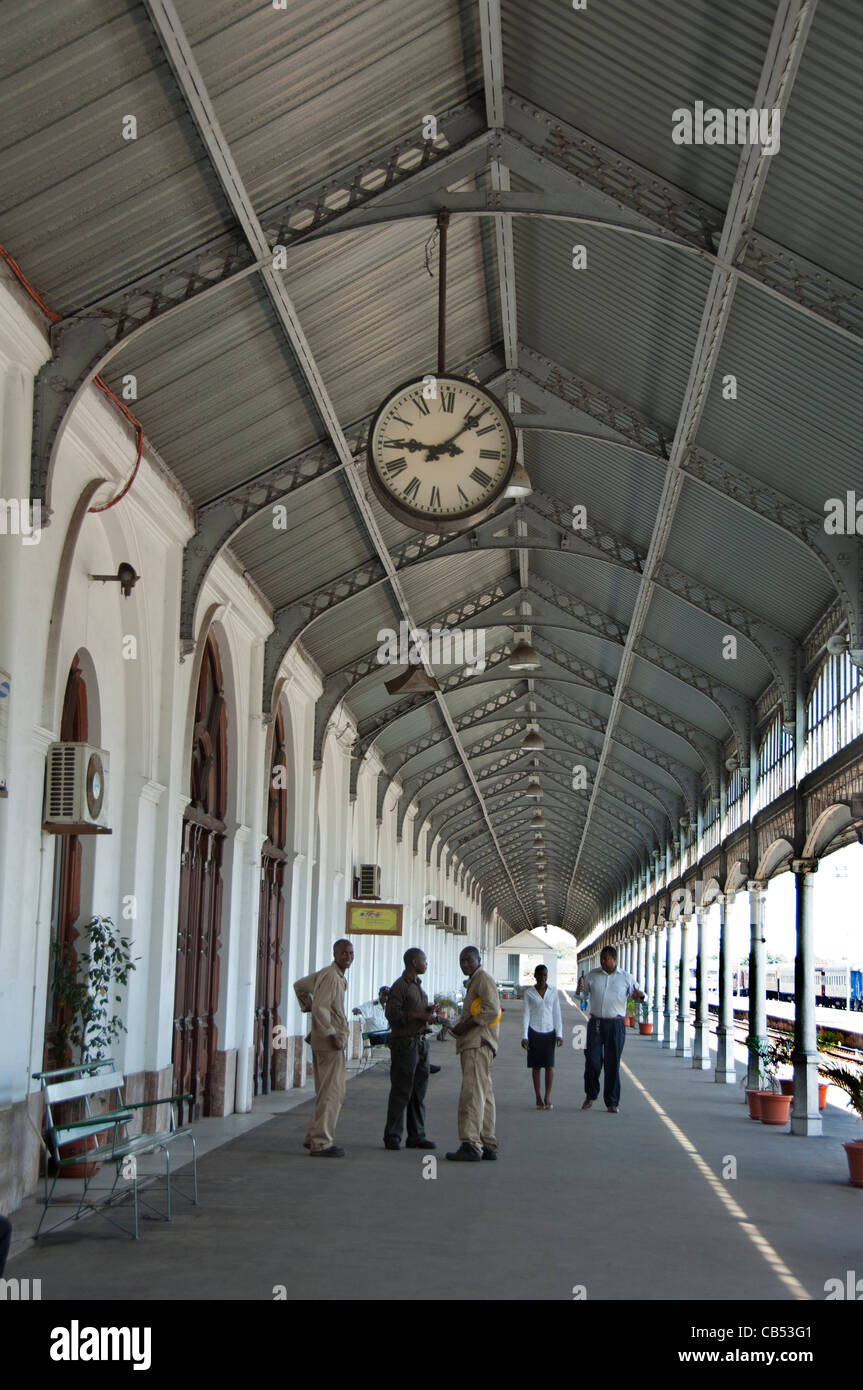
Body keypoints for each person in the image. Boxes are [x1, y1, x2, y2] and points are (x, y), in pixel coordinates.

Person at [293, 939, 354, 1156]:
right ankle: (321, 1142)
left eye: (350, 953)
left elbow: (299, 986)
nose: (348, 957)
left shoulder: (328, 974)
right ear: (335, 954)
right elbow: (321, 1007)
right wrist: (330, 1033)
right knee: (333, 1093)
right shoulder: (331, 977)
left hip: (324, 1041)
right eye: (344, 953)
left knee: (325, 1091)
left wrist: (306, 1006)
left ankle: (313, 1136)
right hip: (330, 1042)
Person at [445, 946, 501, 1162]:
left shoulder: (483, 980)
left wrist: (466, 1026)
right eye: (462, 960)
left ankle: (470, 1144)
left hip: (477, 1044)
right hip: (480, 1044)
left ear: (479, 959)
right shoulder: (475, 981)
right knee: (484, 1094)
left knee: (472, 1094)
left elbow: (492, 1010)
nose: (465, 964)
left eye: (469, 960)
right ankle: (487, 1142)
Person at [383, 948, 439, 1151]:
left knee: (418, 1092)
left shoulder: (417, 985)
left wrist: (427, 1011)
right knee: (401, 1090)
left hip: (420, 1042)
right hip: (405, 1043)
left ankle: (416, 1135)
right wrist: (418, 1016)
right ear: (414, 962)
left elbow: (414, 1011)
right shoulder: (401, 986)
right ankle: (392, 1135)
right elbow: (392, 1013)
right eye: (424, 960)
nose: (426, 964)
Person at [581, 945, 645, 1113]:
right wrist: (580, 989)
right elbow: (582, 994)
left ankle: (612, 1101)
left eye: (606, 958)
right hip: (595, 1023)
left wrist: (639, 996)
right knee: (592, 1061)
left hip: (615, 1025)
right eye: (601, 958)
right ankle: (591, 1094)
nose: (603, 961)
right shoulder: (592, 975)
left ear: (614, 959)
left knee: (612, 1063)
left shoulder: (626, 978)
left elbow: (639, 994)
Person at [521, 964, 563, 1109]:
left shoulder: (553, 992)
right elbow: (526, 1014)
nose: (542, 978)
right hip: (534, 1031)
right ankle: (538, 1097)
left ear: (547, 976)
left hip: (549, 1031)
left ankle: (547, 1096)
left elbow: (557, 1013)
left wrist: (559, 1034)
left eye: (544, 975)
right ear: (535, 976)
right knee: (536, 1067)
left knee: (549, 1066)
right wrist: (524, 1036)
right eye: (539, 975)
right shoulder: (529, 993)